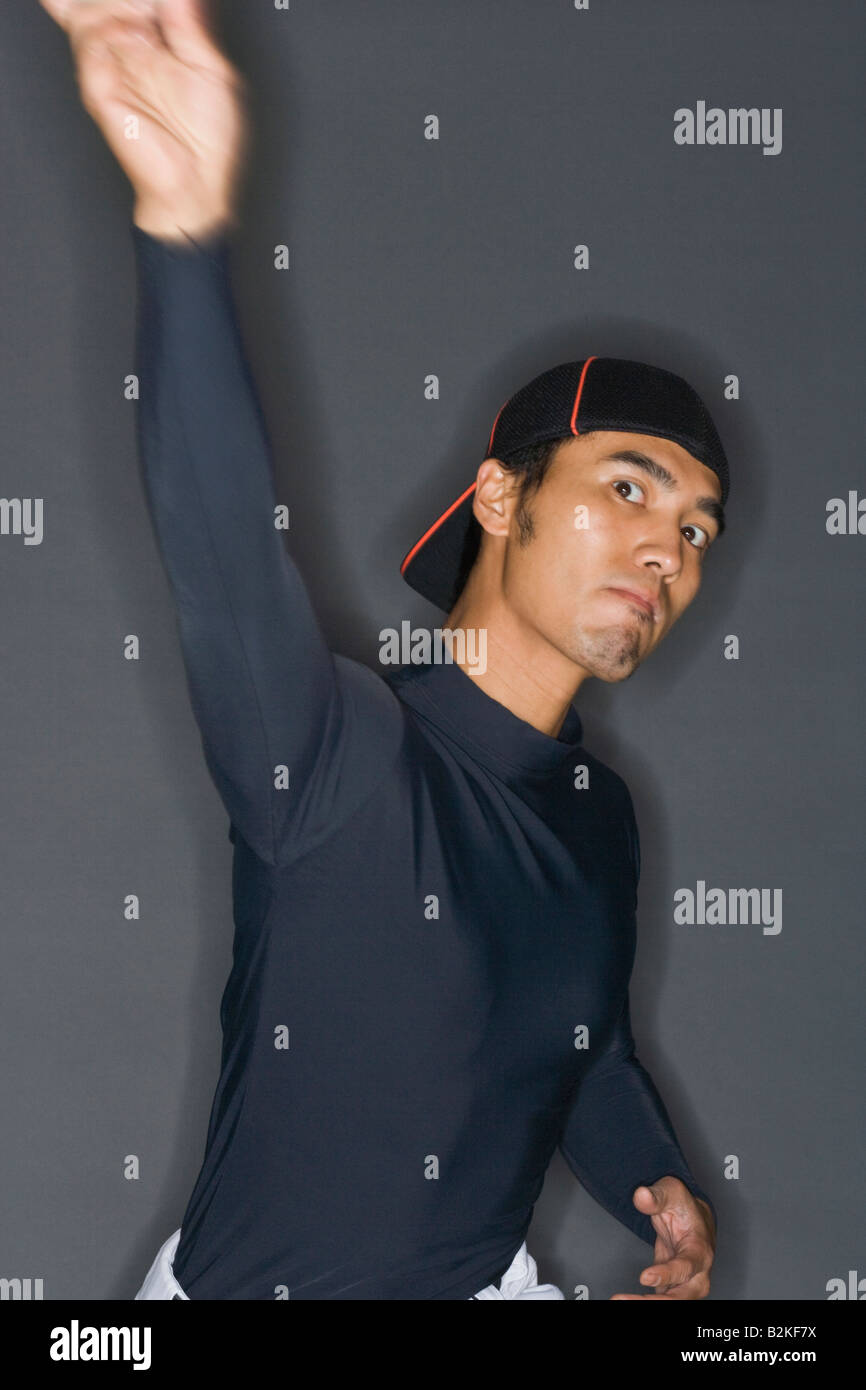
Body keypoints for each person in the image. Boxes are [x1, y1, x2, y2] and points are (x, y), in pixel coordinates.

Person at [40, 0, 720, 1300]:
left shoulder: (597, 814)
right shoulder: (336, 756)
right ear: (502, 501)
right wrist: (183, 231)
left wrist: (658, 1185)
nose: (667, 549)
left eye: (695, 527)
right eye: (628, 489)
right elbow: (222, 552)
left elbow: (577, 1043)